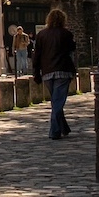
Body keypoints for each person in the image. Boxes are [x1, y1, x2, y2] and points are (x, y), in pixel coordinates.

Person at [33, 7, 76, 140]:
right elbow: (71, 49)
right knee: (58, 102)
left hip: (47, 71)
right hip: (63, 70)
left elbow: (37, 55)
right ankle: (54, 131)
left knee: (56, 101)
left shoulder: (41, 35)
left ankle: (63, 128)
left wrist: (36, 73)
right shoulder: (66, 34)